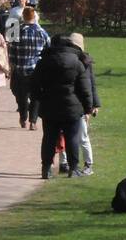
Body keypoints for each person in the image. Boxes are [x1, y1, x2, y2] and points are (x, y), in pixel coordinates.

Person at [31, 34, 93, 178]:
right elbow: (84, 87)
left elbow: (34, 85)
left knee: (49, 138)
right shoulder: (76, 62)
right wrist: (88, 107)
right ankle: (73, 168)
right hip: (72, 107)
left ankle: (46, 168)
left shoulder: (44, 61)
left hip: (49, 106)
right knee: (72, 138)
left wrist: (42, 99)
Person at [64, 32, 100, 174]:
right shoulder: (69, 60)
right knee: (67, 135)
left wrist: (92, 106)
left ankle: (88, 164)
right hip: (70, 102)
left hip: (81, 104)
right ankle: (65, 162)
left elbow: (91, 84)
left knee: (82, 135)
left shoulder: (85, 62)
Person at [11, 6, 50, 130]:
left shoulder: (16, 31)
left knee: (21, 96)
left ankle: (23, 117)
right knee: (35, 96)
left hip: (20, 68)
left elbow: (12, 52)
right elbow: (48, 50)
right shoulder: (42, 32)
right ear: (34, 17)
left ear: (23, 17)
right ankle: (33, 121)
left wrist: (13, 65)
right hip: (36, 69)